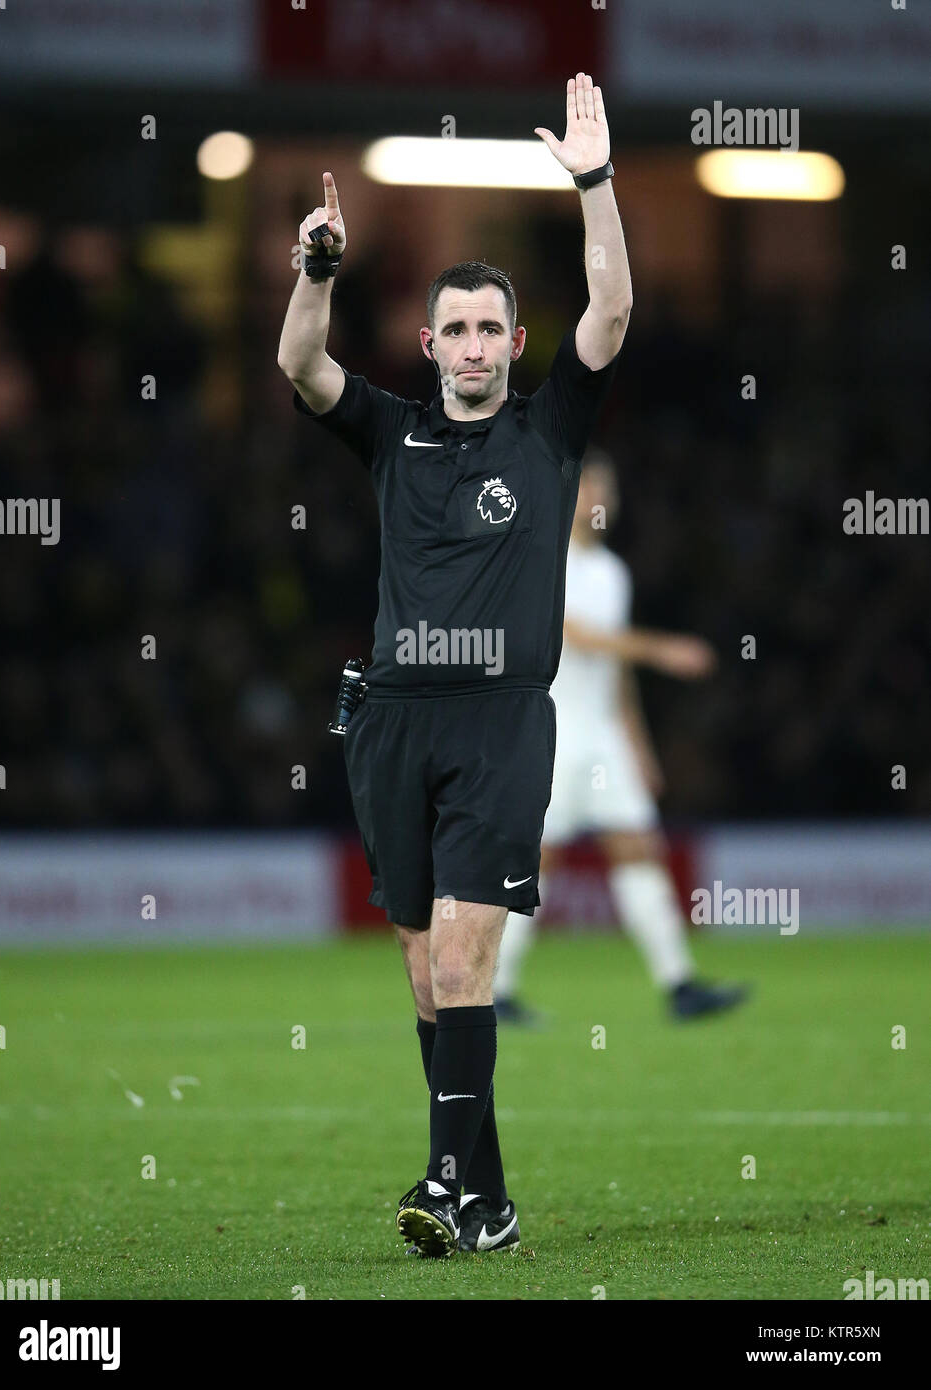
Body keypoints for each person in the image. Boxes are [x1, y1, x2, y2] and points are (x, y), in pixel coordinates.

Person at [278, 74, 631, 1258]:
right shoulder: (389, 428)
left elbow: (614, 313)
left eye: (494, 327)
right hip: (389, 721)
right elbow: (300, 368)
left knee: (471, 949)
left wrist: (593, 186)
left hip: (495, 725)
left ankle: (438, 1180)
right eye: (457, 327)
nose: (476, 345)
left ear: (514, 343)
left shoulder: (545, 432)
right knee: (429, 972)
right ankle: (486, 1201)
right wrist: (316, 273)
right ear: (427, 341)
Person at [496, 453, 750, 1023]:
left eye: (607, 486)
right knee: (537, 863)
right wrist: (664, 649)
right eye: (590, 486)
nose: (601, 497)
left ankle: (680, 985)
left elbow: (615, 671)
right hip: (551, 733)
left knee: (640, 850)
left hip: (604, 737)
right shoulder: (540, 559)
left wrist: (639, 744)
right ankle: (497, 991)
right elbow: (577, 636)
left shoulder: (613, 572)